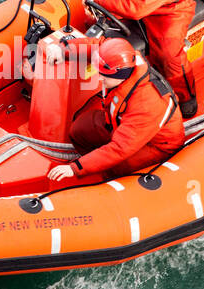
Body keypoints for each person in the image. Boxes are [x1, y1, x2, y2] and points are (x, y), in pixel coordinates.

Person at [46, 37, 184, 182]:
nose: (99, 78)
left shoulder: (146, 103)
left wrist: (75, 168)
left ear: (119, 76)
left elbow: (120, 148)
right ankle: (95, 164)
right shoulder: (122, 58)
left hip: (153, 145)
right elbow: (98, 46)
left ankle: (107, 179)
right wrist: (63, 49)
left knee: (118, 167)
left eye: (104, 76)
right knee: (79, 130)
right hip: (118, 122)